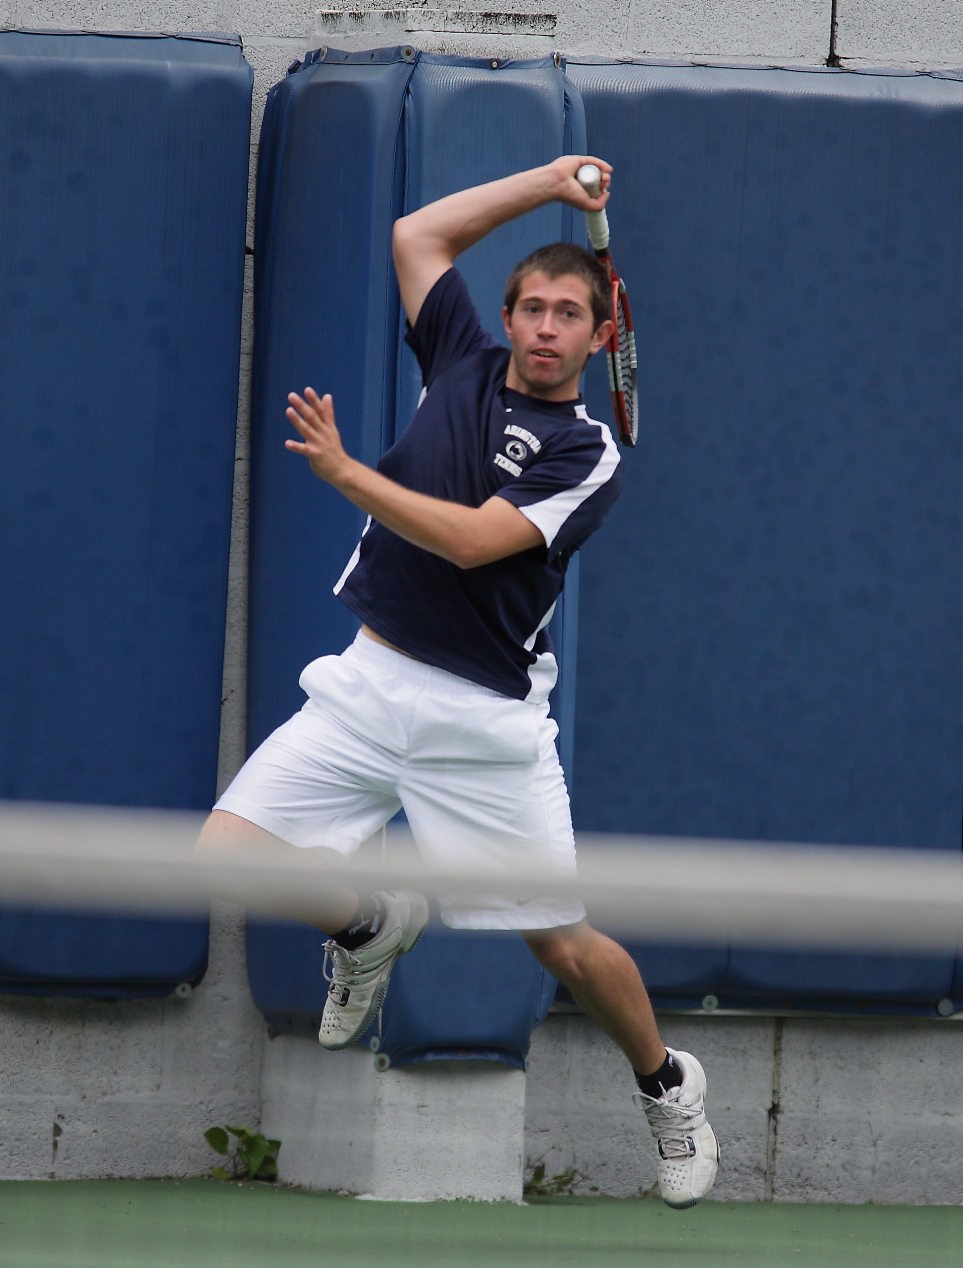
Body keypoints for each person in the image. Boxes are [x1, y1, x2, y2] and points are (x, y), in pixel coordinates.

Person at [200, 155, 718, 1209]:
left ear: (597, 335)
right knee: (220, 858)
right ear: (506, 315)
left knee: (561, 941)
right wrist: (550, 183)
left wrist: (351, 477)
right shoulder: (460, 357)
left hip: (484, 724)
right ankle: (364, 923)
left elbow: (478, 544)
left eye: (566, 313)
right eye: (529, 306)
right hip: (369, 681)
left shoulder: (588, 455)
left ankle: (666, 1082)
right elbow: (415, 237)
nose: (541, 326)